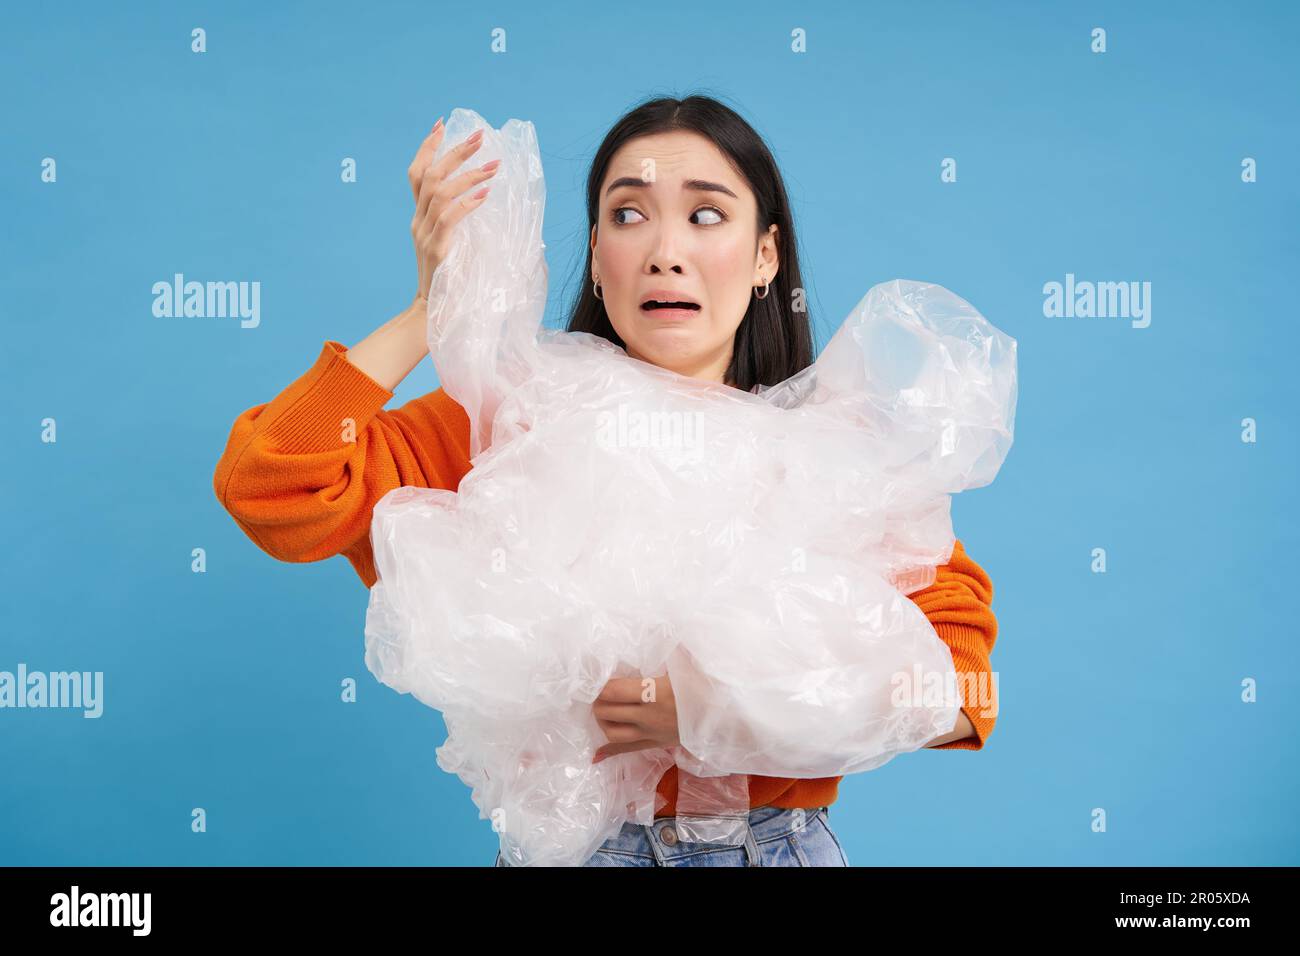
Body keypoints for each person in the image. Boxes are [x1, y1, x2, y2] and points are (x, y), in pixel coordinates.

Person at [212, 93, 1000, 867]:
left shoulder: (837, 459)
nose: (664, 249)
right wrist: (432, 307)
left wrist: (717, 706)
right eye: (629, 215)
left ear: (767, 255)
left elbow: (964, 696)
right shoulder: (506, 425)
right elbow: (270, 485)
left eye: (705, 214)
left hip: (770, 850)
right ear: (596, 254)